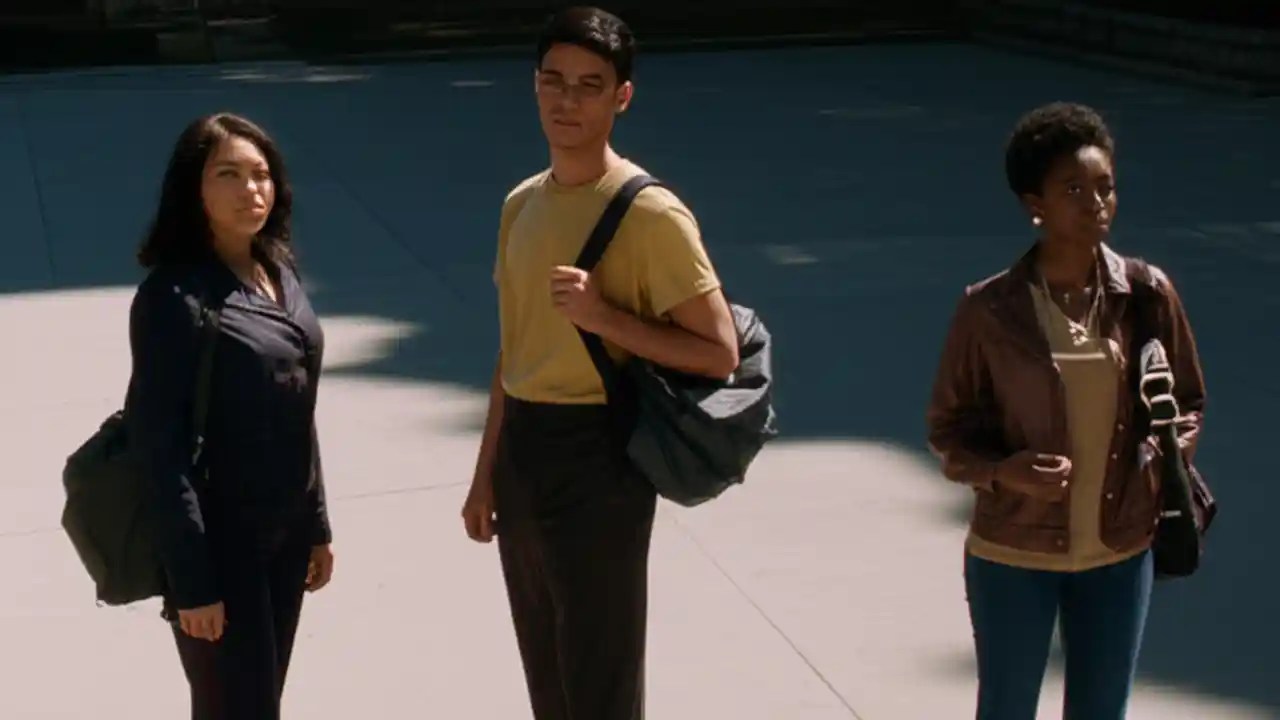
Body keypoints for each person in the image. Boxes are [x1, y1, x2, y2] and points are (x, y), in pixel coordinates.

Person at [460, 6, 739, 719]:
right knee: (547, 669)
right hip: (524, 448)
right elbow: (512, 346)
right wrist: (486, 470)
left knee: (600, 677)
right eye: (553, 81)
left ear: (622, 97)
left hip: (599, 457)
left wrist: (604, 318)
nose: (567, 100)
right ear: (533, 87)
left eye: (589, 85)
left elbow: (718, 352)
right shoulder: (521, 203)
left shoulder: (651, 214)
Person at [926, 102, 1207, 720]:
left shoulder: (1146, 293)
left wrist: (1163, 461)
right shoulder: (988, 310)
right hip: (1013, 554)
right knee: (1006, 709)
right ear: (1036, 203)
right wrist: (1005, 472)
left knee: (1103, 710)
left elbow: (1186, 403)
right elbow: (948, 433)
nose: (1096, 203)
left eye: (1105, 187)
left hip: (1119, 549)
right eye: (1074, 189)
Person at [127, 112, 335, 720]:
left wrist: (316, 524)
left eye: (262, 174)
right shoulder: (173, 298)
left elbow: (300, 408)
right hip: (220, 543)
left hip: (285, 535)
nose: (252, 189)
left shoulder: (280, 273)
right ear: (195, 188)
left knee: (259, 702)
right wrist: (193, 582)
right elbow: (158, 448)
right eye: (230, 174)